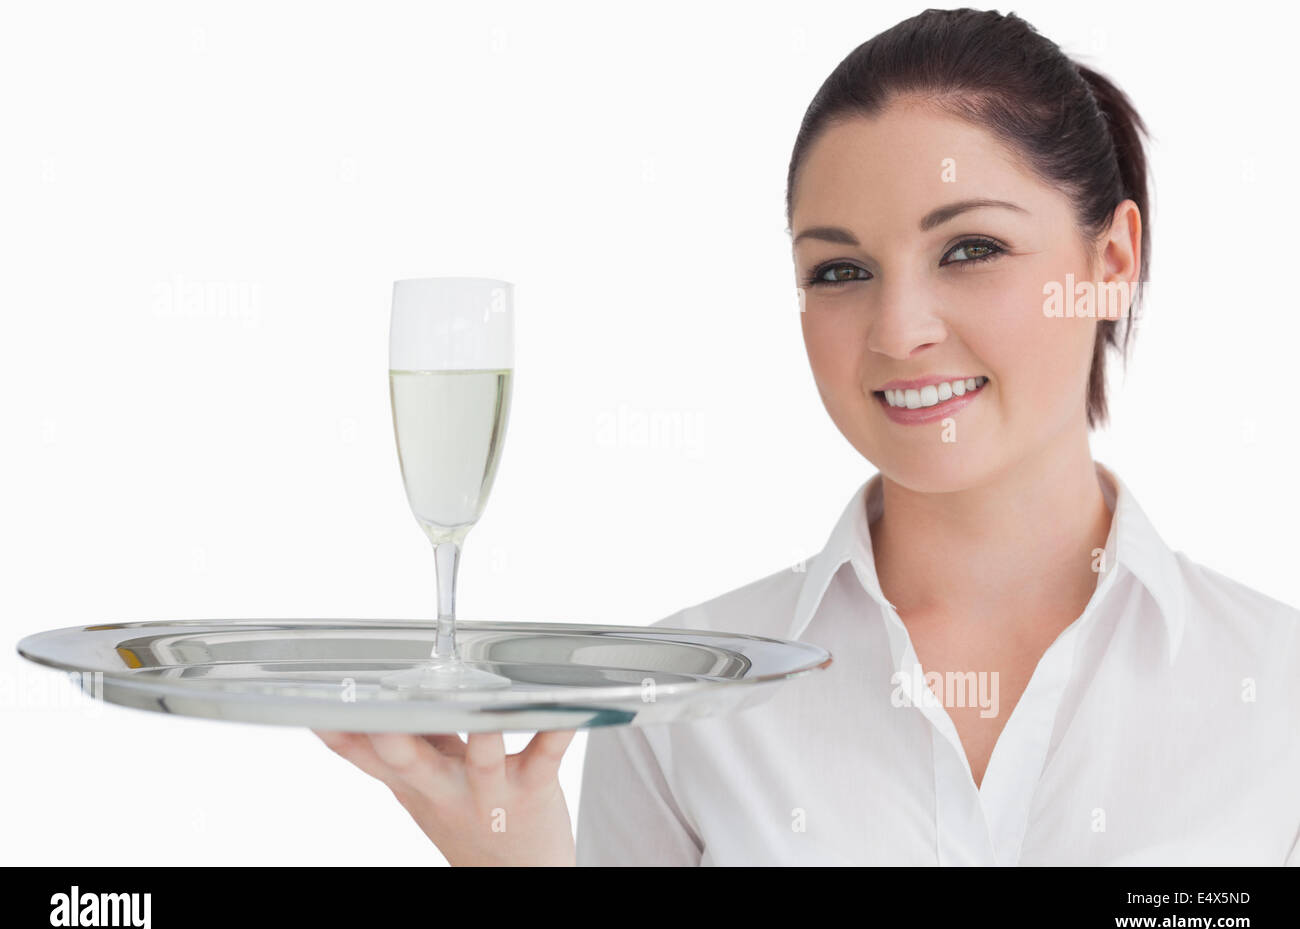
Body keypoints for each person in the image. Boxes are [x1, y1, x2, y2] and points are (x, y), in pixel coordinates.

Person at [312, 8, 1300, 866]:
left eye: (970, 248)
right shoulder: (677, 704)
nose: (898, 327)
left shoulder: (1277, 698)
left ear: (1111, 258)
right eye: (840, 270)